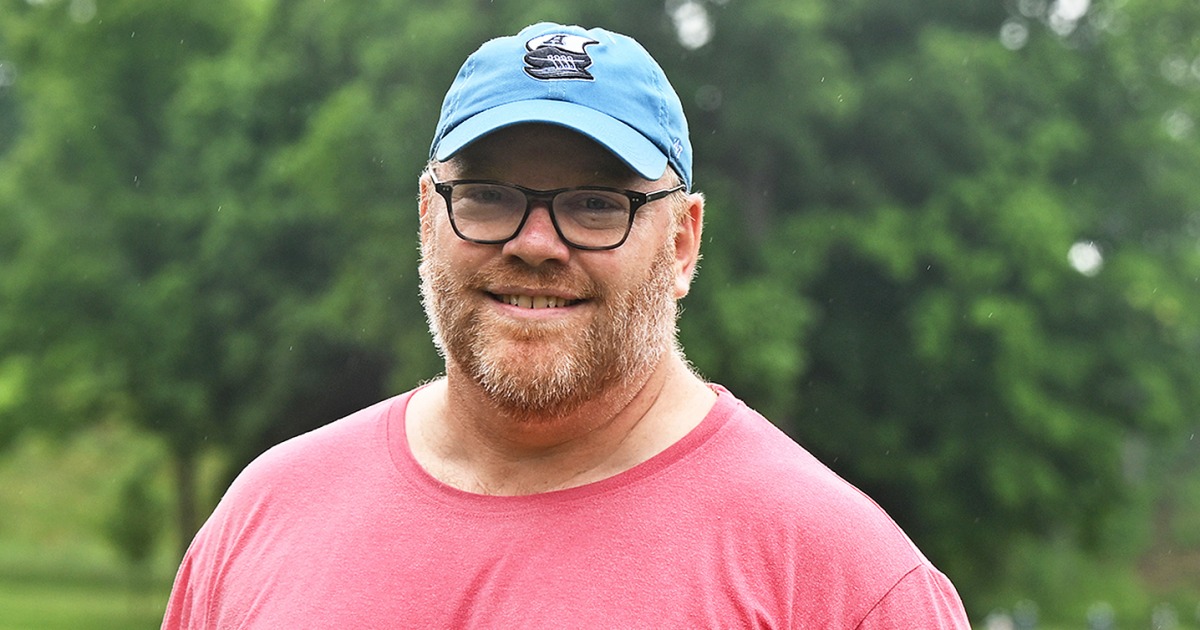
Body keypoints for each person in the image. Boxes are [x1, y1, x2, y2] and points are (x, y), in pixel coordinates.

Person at [162, 22, 971, 629]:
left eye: (595, 205)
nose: (535, 244)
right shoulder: (266, 517)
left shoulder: (836, 580)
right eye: (487, 196)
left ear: (683, 242)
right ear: (426, 217)